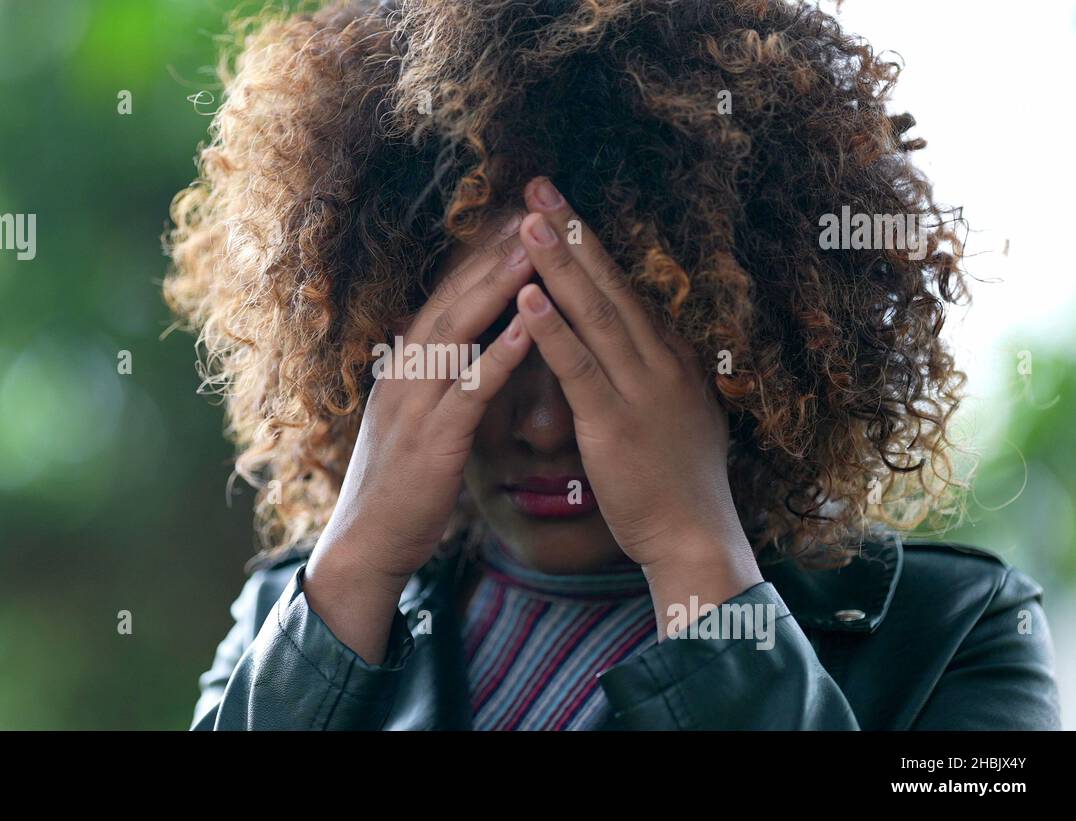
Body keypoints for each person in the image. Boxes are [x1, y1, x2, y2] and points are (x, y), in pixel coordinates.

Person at [163, 0, 1060, 730]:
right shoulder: (297, 615)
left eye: (603, 342)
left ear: (745, 345)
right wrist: (353, 564)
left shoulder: (953, 631)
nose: (547, 424)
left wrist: (692, 553)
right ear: (388, 347)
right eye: (490, 341)